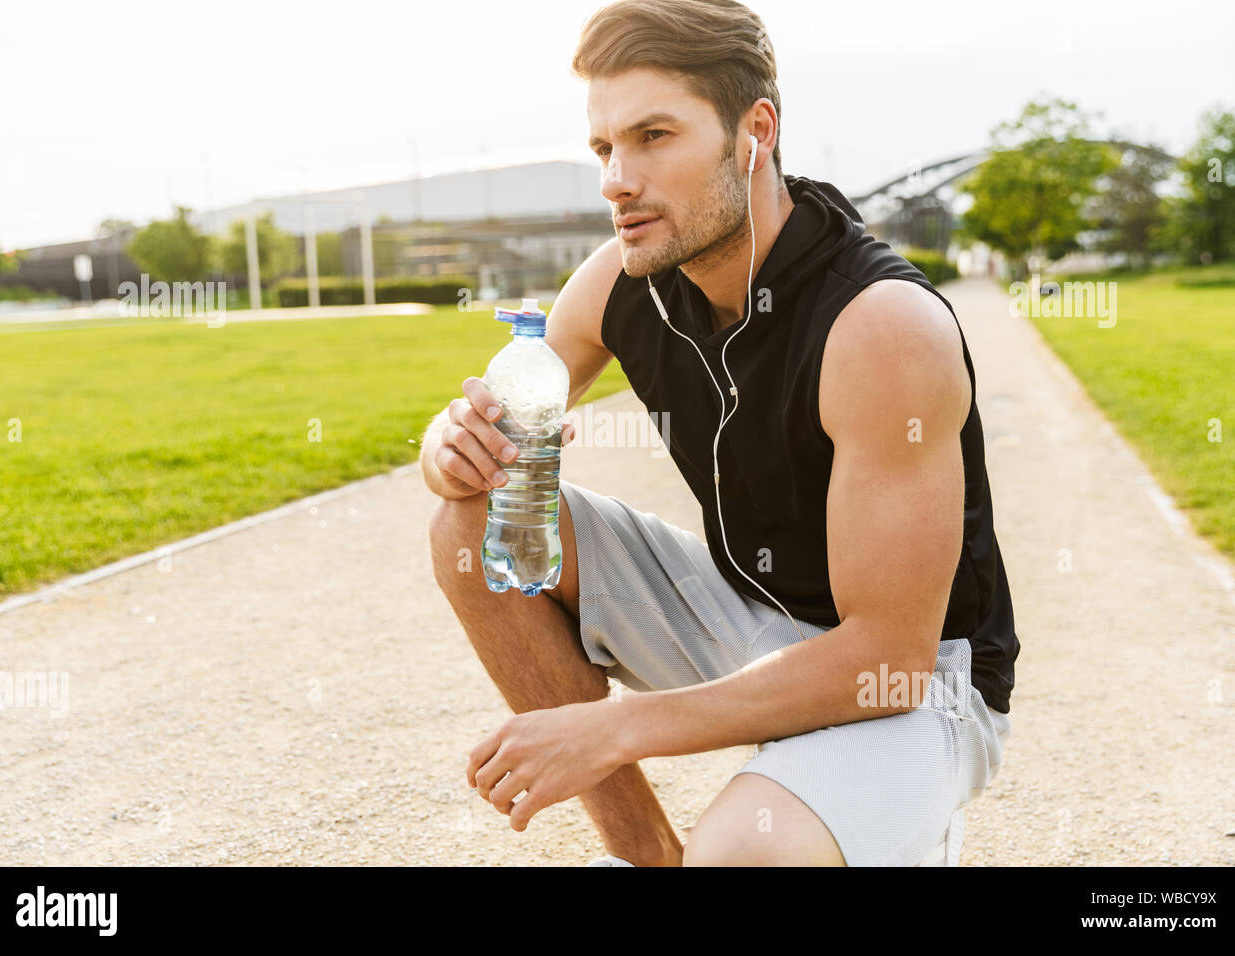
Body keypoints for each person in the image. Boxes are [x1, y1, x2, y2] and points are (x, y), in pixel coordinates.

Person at [422, 0, 1019, 867]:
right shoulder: (625, 279)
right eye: (604, 148)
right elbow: (483, 429)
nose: (616, 180)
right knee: (469, 529)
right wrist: (448, 451)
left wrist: (615, 727)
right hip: (754, 616)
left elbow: (884, 653)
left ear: (755, 133)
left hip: (915, 681)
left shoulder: (881, 326)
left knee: (748, 853)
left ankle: (880, 810)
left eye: (653, 136)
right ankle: (651, 859)